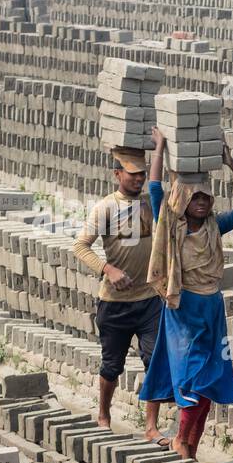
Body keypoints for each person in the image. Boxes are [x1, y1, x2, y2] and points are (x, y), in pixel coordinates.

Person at [140, 127, 233, 459]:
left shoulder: (215, 227)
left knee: (210, 378)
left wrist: (230, 162)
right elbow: (154, 188)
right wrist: (161, 149)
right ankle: (180, 438)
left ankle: (190, 447)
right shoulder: (170, 225)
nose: (202, 202)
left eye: (206, 197)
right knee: (190, 377)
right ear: (182, 198)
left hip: (212, 309)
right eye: (195, 197)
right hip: (182, 308)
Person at [71, 148, 166, 442]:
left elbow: (168, 191)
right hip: (115, 303)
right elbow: (80, 246)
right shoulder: (105, 208)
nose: (138, 178)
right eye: (132, 173)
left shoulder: (151, 204)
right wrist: (107, 269)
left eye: (141, 174)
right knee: (112, 365)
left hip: (149, 300)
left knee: (154, 360)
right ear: (117, 174)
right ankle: (104, 414)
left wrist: (163, 146)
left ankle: (151, 426)